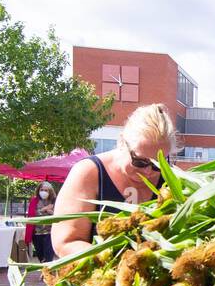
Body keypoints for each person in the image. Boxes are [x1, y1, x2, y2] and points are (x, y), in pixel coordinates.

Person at [51, 104, 177, 259]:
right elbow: (66, 242)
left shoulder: (172, 181)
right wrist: (120, 264)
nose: (148, 171)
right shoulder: (89, 172)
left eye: (159, 163)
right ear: (123, 142)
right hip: (98, 278)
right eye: (139, 161)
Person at [25, 181, 58, 262]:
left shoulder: (55, 201)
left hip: (50, 233)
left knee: (48, 256)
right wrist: (44, 209)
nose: (43, 192)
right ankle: (45, 271)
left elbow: (60, 215)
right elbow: (31, 215)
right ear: (38, 190)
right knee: (41, 256)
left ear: (50, 191)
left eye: (46, 190)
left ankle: (48, 273)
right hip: (37, 234)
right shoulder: (34, 201)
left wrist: (52, 212)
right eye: (42, 189)